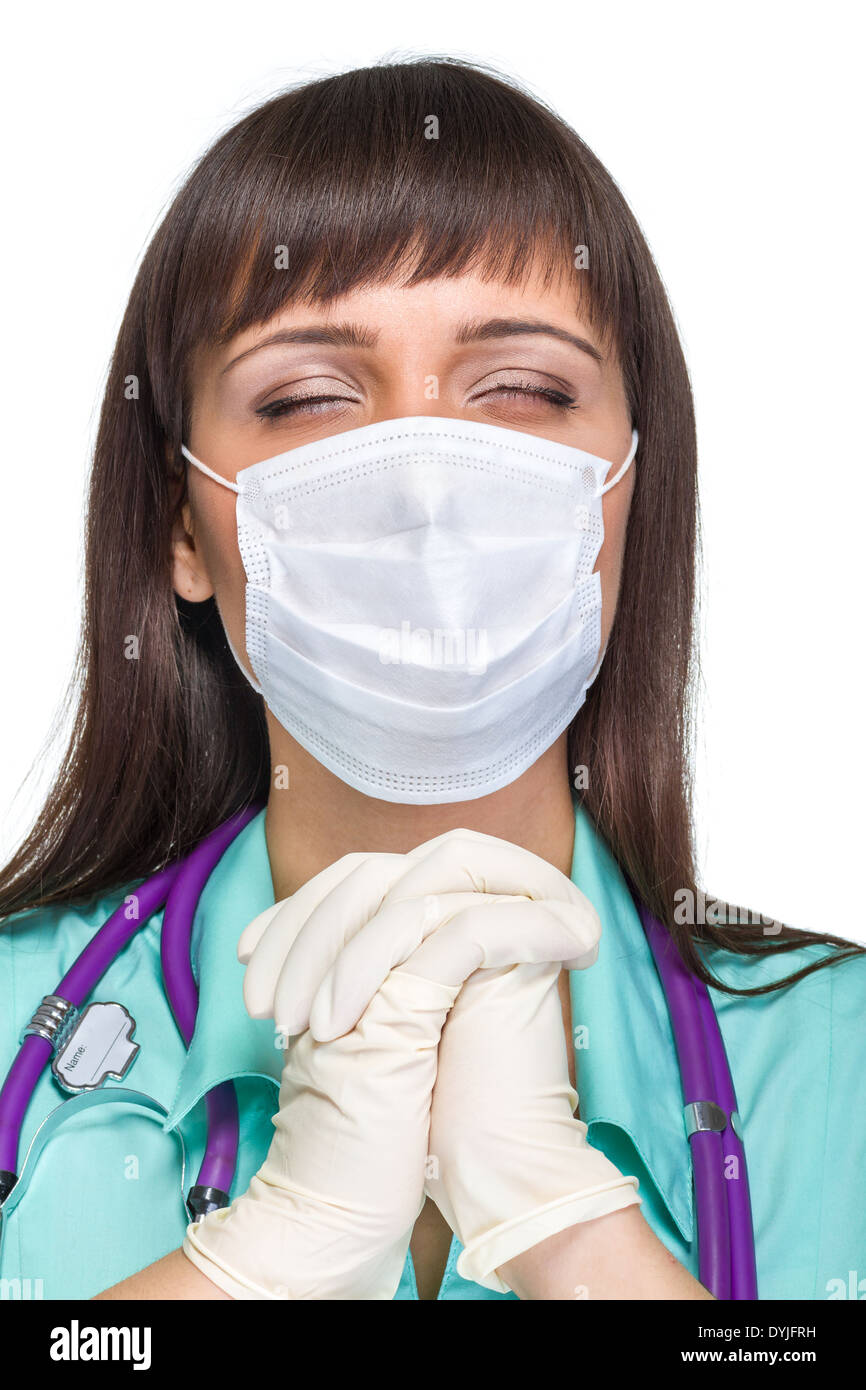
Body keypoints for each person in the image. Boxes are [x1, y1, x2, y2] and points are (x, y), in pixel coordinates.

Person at [1, 57, 863, 1303]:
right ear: (178, 525)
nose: (420, 485)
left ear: (631, 487)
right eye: (304, 397)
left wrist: (577, 1241)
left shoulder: (836, 1063)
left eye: (520, 389)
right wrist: (267, 1258)